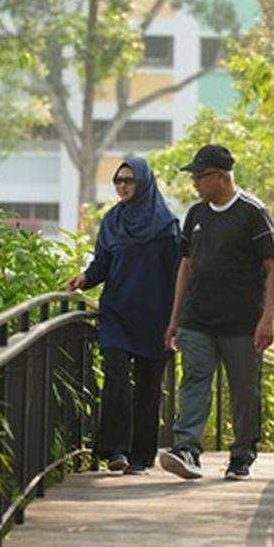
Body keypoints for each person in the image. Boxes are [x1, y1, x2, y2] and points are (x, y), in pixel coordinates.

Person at [158, 144, 274, 481]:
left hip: (243, 323)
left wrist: (267, 319)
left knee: (243, 390)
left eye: (200, 177)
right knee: (195, 380)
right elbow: (185, 267)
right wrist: (175, 319)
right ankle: (187, 449)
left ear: (222, 177)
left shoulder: (253, 212)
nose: (195, 184)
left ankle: (241, 456)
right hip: (198, 318)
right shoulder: (196, 215)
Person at [67, 157, 180, 475]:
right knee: (115, 375)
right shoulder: (112, 221)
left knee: (148, 387)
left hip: (155, 317)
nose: (122, 186)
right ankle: (115, 450)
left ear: (144, 182)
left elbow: (178, 276)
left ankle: (141, 456)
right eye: (118, 181)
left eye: (129, 180)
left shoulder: (166, 226)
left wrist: (177, 322)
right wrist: (86, 279)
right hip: (117, 312)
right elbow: (103, 262)